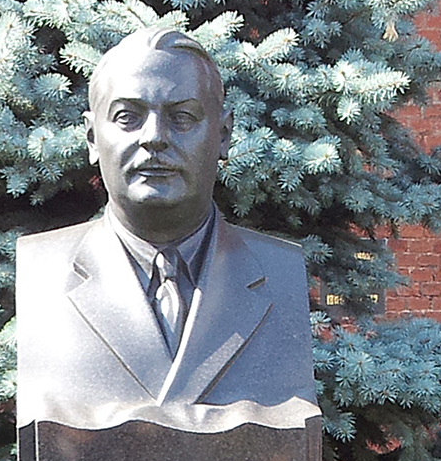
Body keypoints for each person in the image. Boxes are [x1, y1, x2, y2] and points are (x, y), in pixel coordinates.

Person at [16, 27, 316, 416]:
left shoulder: (279, 272)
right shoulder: (44, 271)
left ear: (223, 135)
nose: (154, 137)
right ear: (92, 138)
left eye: (182, 117)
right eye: (128, 117)